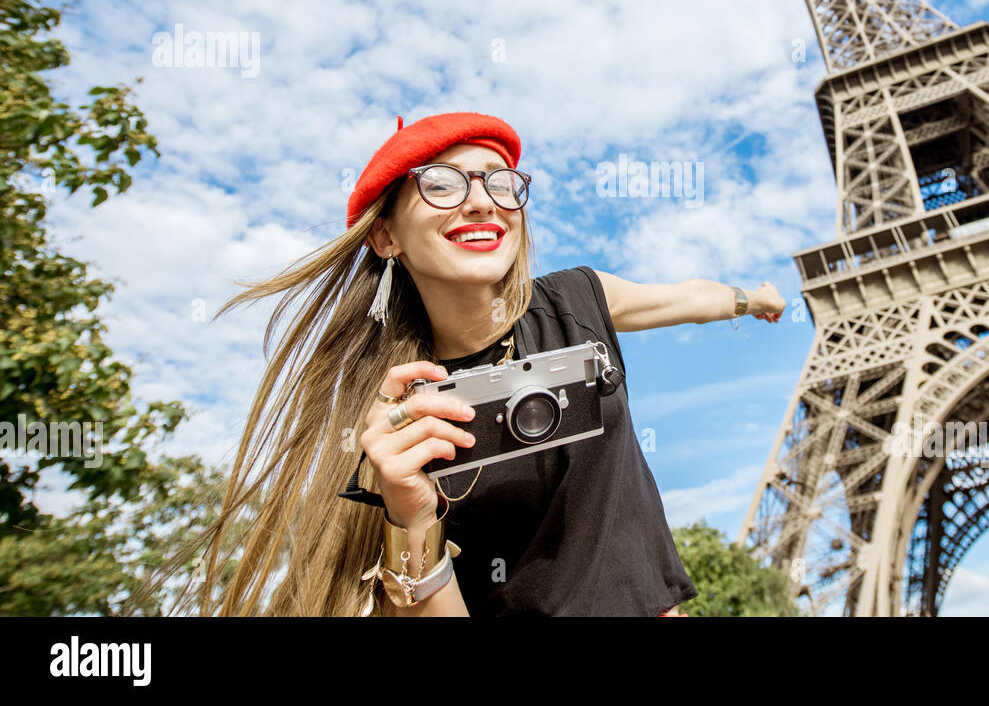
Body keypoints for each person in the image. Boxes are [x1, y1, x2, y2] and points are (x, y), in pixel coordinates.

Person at [142, 111, 785, 616]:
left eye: (498, 181)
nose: (481, 201)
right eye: (441, 182)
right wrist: (410, 515)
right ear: (385, 236)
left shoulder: (575, 300)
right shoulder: (398, 419)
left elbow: (679, 298)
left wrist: (751, 298)